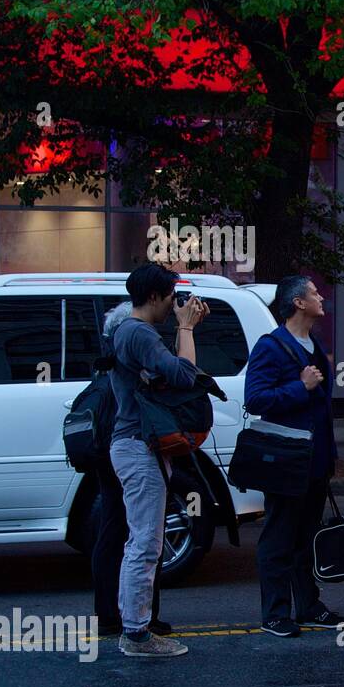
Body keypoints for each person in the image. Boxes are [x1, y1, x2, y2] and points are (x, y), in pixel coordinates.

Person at [109, 263, 206, 658]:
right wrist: (186, 329)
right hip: (137, 446)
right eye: (170, 297)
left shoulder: (128, 331)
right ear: (153, 297)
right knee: (146, 543)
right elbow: (185, 376)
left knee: (142, 540)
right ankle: (136, 635)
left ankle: (134, 628)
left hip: (134, 445)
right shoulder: (139, 333)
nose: (174, 304)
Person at [244, 275, 344, 638]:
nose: (322, 298)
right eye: (315, 294)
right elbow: (256, 399)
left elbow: (321, 408)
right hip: (286, 460)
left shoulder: (314, 345)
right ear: (298, 303)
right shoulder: (270, 346)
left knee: (306, 536)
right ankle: (274, 613)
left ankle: (308, 605)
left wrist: (330, 456)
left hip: (315, 460)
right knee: (279, 537)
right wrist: (298, 387)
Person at [92, 302, 168, 638]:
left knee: (119, 534)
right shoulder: (127, 373)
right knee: (141, 538)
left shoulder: (108, 372)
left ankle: (118, 614)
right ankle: (136, 620)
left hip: (110, 455)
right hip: (129, 451)